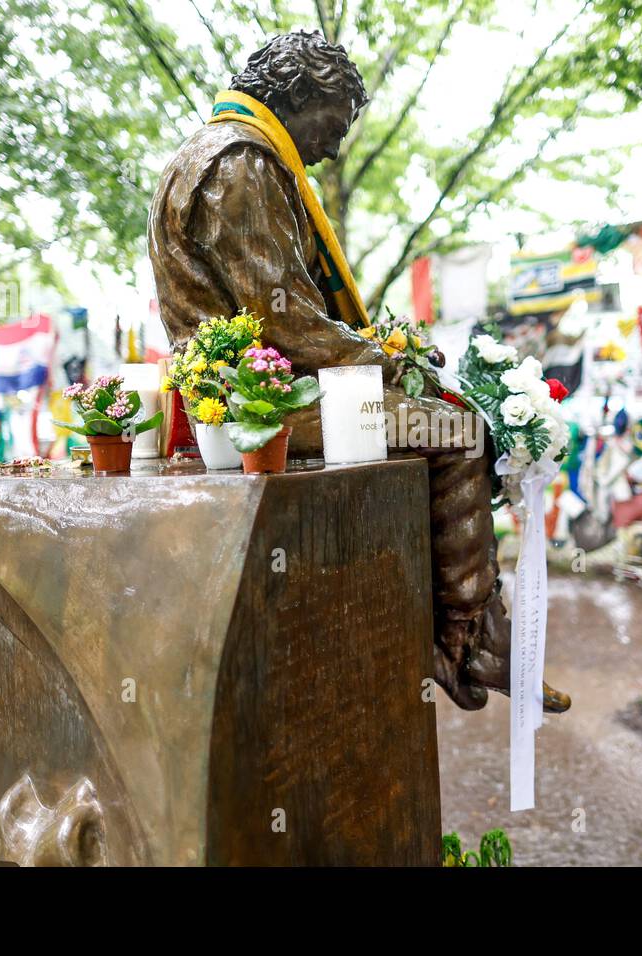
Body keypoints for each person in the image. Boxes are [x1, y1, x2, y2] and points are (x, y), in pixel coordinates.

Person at [147, 31, 569, 712]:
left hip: (261, 386)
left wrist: (384, 355)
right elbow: (284, 323)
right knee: (457, 429)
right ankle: (466, 643)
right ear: (300, 96)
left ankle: (471, 634)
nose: (334, 146)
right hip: (264, 401)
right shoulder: (240, 163)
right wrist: (385, 358)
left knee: (440, 407)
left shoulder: (229, 153)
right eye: (334, 123)